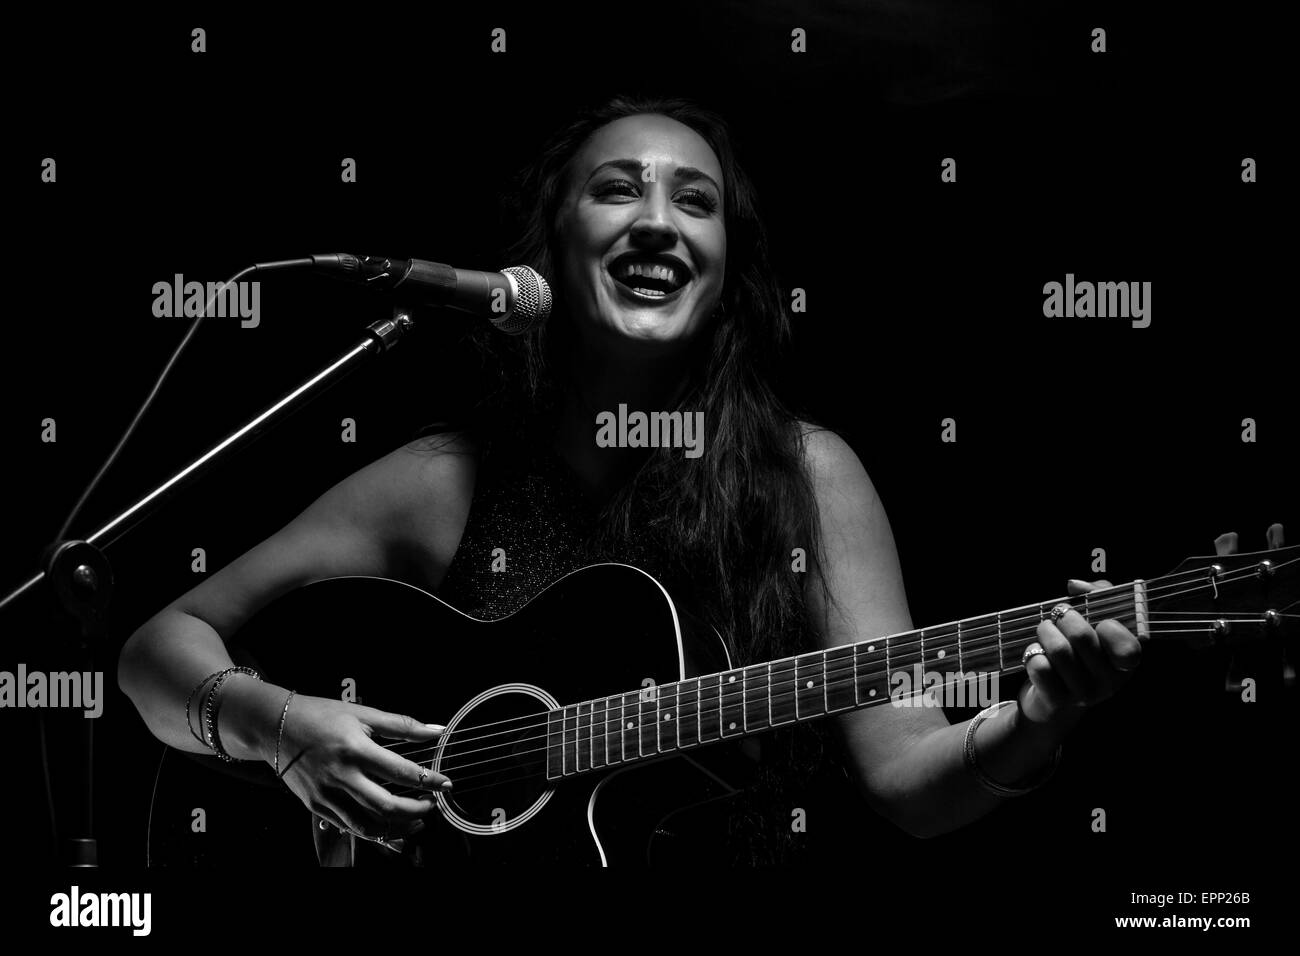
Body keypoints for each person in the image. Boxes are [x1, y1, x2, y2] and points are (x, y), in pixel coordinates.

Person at [118, 94, 1143, 863]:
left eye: (694, 202)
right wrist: (283, 725)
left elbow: (907, 777)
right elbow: (154, 650)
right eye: (618, 188)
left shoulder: (805, 475)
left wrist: (1037, 718)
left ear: (723, 266)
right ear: (551, 246)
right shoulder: (443, 480)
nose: (658, 220)